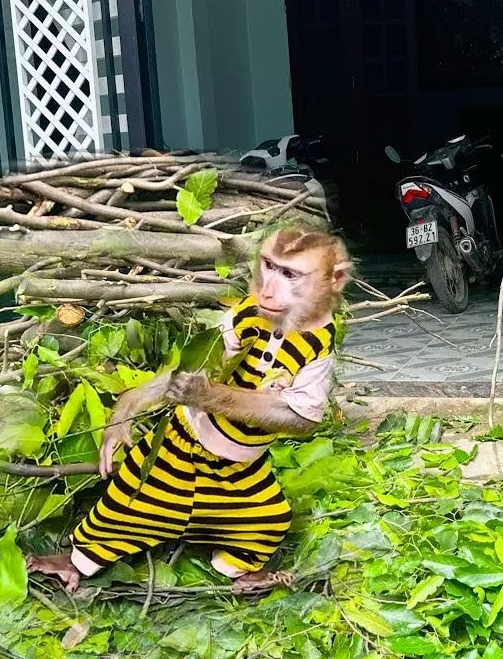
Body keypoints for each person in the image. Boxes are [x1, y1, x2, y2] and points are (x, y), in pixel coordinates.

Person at [28, 224, 352, 595]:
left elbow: (299, 419)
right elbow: (188, 372)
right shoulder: (249, 312)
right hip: (181, 442)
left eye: (290, 274)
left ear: (334, 281)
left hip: (240, 465)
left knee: (269, 519)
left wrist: (215, 397)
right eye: (268, 266)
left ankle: (237, 569)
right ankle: (77, 560)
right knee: (127, 500)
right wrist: (125, 409)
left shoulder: (317, 349)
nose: (268, 288)